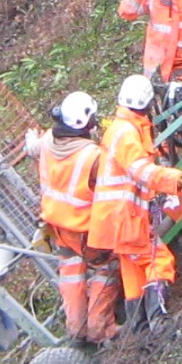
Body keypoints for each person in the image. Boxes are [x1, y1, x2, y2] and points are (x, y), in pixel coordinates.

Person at [87, 75, 182, 331]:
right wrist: (173, 180)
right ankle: (159, 321)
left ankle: (139, 329)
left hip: (114, 219)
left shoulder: (120, 128)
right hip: (124, 218)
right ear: (148, 103)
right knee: (157, 258)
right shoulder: (127, 133)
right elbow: (140, 170)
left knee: (133, 269)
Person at [26, 92, 120, 346]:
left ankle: (76, 329)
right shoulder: (92, 157)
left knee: (71, 276)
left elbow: (31, 148)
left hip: (58, 228)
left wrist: (29, 138)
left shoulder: (47, 141)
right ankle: (99, 328)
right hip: (87, 232)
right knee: (107, 268)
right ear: (85, 124)